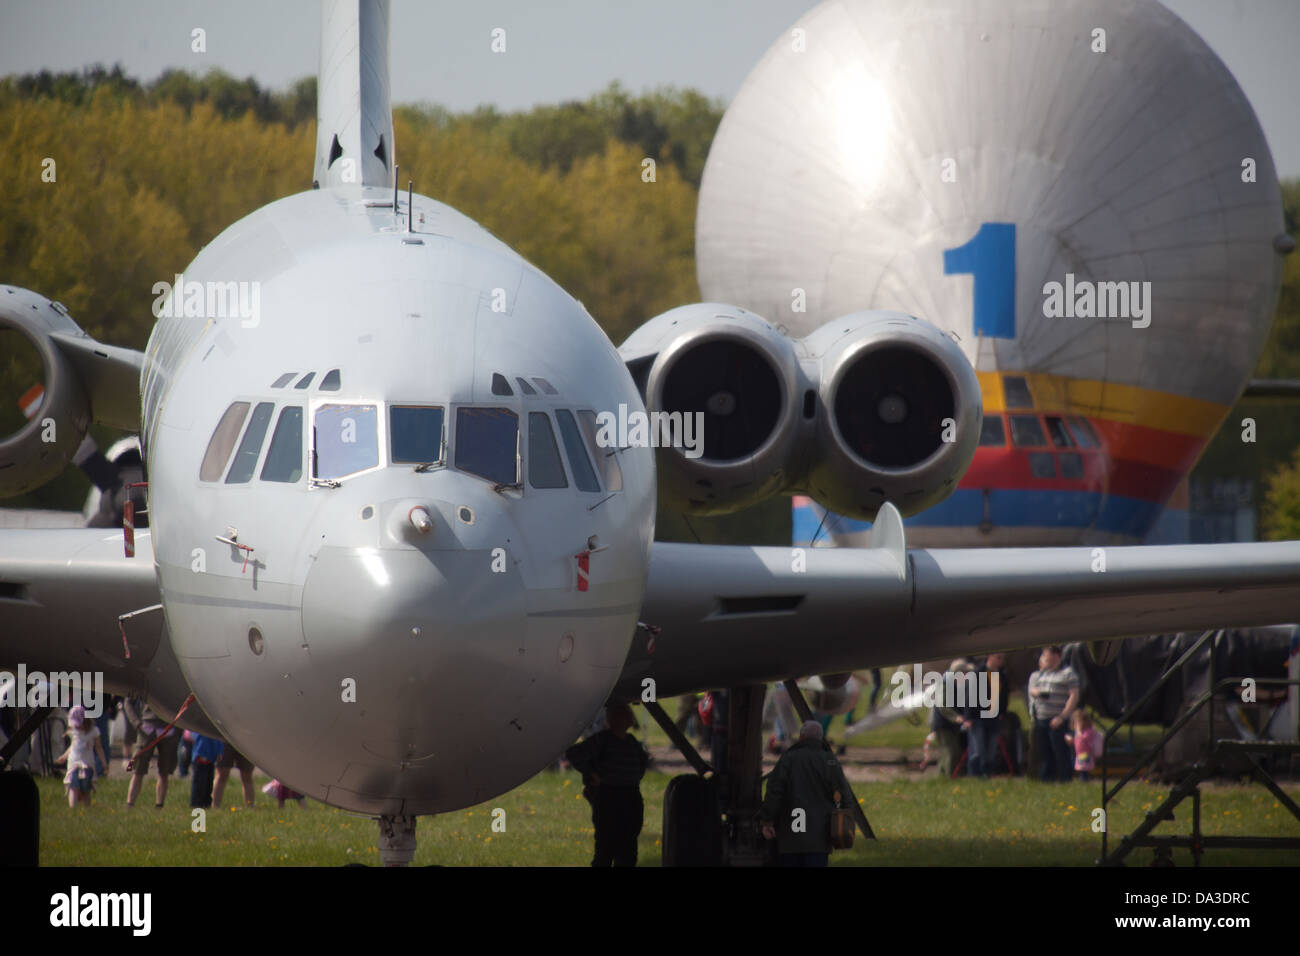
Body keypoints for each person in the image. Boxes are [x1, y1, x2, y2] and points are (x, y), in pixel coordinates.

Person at [564, 703, 650, 867]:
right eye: (622, 715)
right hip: (609, 797)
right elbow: (574, 754)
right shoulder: (602, 741)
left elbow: (642, 761)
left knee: (629, 846)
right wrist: (591, 774)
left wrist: (633, 778)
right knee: (605, 846)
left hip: (630, 796)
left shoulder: (631, 742)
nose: (628, 719)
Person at [759, 720, 851, 866]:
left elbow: (774, 792)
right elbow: (844, 796)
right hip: (819, 838)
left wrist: (767, 820)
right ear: (821, 738)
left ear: (801, 737)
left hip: (790, 838)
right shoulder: (829, 761)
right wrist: (843, 825)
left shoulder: (788, 759)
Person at [1028, 646, 1080, 782]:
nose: (1044, 658)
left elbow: (1074, 696)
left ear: (1056, 656)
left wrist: (1062, 717)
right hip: (1041, 718)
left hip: (1057, 719)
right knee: (1044, 753)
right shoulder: (1041, 674)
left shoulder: (1068, 673)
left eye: (1046, 655)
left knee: (1060, 752)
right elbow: (1032, 689)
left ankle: (1065, 779)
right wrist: (1036, 693)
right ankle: (1046, 779)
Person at [124, 696, 179, 808]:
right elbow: (128, 701)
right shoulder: (146, 680)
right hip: (147, 728)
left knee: (164, 771)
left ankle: (159, 805)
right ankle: (130, 804)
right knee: (138, 770)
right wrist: (137, 723)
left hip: (168, 729)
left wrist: (178, 727)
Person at [54, 705, 107, 808]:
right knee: (73, 786)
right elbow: (73, 746)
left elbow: (99, 748)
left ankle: (86, 808)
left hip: (87, 764)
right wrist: (64, 757)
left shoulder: (93, 731)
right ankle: (72, 808)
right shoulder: (73, 731)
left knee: (85, 788)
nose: (76, 726)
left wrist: (104, 764)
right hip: (73, 763)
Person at [965, 652, 1007, 776]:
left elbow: (1004, 695)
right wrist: (968, 717)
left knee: (991, 749)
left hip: (994, 717)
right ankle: (974, 775)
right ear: (990, 656)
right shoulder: (978, 674)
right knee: (978, 749)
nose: (1000, 661)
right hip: (978, 717)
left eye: (1002, 658)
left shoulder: (1001, 675)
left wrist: (1002, 712)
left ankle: (987, 774)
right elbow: (969, 696)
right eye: (998, 657)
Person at [213, 740, 256, 808]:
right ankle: (215, 806)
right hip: (225, 739)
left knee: (247, 774)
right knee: (222, 774)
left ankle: (250, 806)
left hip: (245, 740)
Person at [1065, 710, 1104, 781]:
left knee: (1084, 767)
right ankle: (1081, 777)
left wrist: (1078, 731)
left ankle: (1084, 778)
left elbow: (1082, 739)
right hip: (1078, 753)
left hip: (1086, 753)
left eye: (1079, 723)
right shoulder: (1078, 732)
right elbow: (1072, 739)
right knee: (1079, 766)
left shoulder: (1089, 731)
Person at [189, 733, 224, 808]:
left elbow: (218, 738)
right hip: (201, 754)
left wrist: (219, 751)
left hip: (211, 756)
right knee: (199, 783)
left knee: (208, 783)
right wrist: (201, 754)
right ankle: (196, 805)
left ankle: (206, 804)